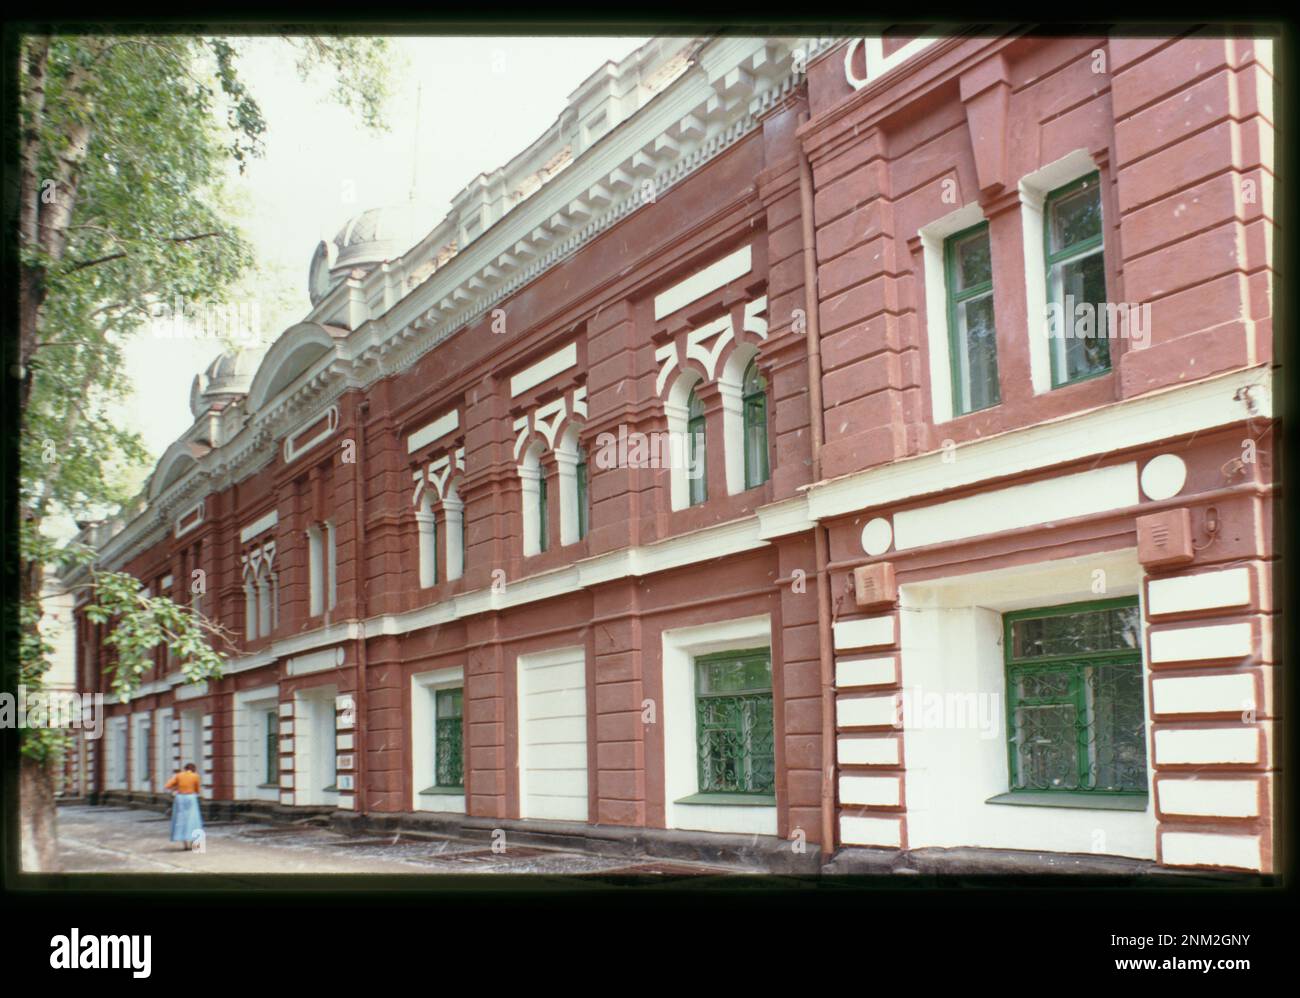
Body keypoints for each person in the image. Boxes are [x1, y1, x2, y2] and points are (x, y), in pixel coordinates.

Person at [164, 763, 204, 850]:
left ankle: (185, 844)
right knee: (193, 819)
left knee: (181, 819)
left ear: (185, 769)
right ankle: (195, 844)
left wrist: (177, 788)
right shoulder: (195, 776)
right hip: (191, 798)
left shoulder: (178, 775)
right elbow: (197, 790)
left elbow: (167, 785)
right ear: (194, 769)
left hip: (180, 798)